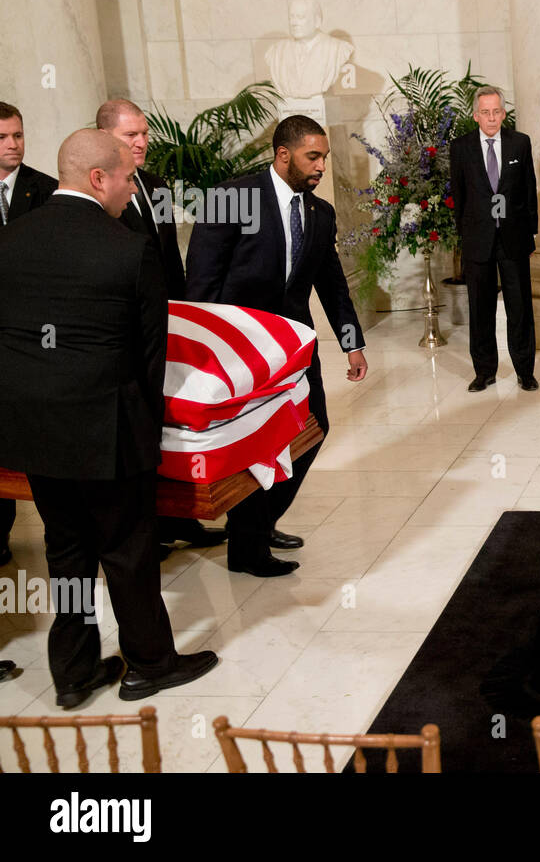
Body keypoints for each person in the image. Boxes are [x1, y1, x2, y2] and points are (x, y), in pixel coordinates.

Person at [0, 129, 218, 706]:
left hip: (36, 430)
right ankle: (150, 664)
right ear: (98, 178)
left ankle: (73, 674)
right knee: (128, 551)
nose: (130, 190)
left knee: (66, 548)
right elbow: (152, 356)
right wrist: (151, 429)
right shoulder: (128, 248)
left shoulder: (9, 240)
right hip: (110, 428)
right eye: (125, 177)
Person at [185, 115, 368, 576]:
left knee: (313, 429)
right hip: (239, 351)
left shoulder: (319, 213)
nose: (321, 166)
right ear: (283, 154)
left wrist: (352, 343)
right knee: (251, 444)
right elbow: (202, 283)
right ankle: (247, 546)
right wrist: (208, 354)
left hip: (294, 348)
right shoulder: (233, 198)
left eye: (323, 157)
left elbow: (332, 285)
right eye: (313, 156)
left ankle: (260, 521)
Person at [96, 98, 228, 556]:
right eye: (130, 135)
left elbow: (169, 261)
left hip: (168, 325)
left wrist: (190, 316)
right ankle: (146, 530)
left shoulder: (154, 185)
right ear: (104, 139)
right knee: (139, 435)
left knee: (173, 425)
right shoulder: (98, 197)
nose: (142, 142)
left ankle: (182, 519)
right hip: (126, 336)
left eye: (145, 133)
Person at [450, 85, 539, 392]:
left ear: (504, 113)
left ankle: (525, 371)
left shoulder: (519, 143)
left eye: (496, 111)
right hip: (478, 240)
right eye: (485, 112)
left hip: (513, 239)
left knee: (520, 308)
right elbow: (459, 197)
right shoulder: (460, 148)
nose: (491, 117)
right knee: (480, 308)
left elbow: (529, 190)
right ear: (476, 115)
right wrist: (466, 236)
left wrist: (531, 235)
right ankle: (484, 371)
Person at [0, 101, 57, 569]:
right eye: (2, 138)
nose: (14, 144)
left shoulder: (47, 190)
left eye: (17, 135)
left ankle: (58, 522)